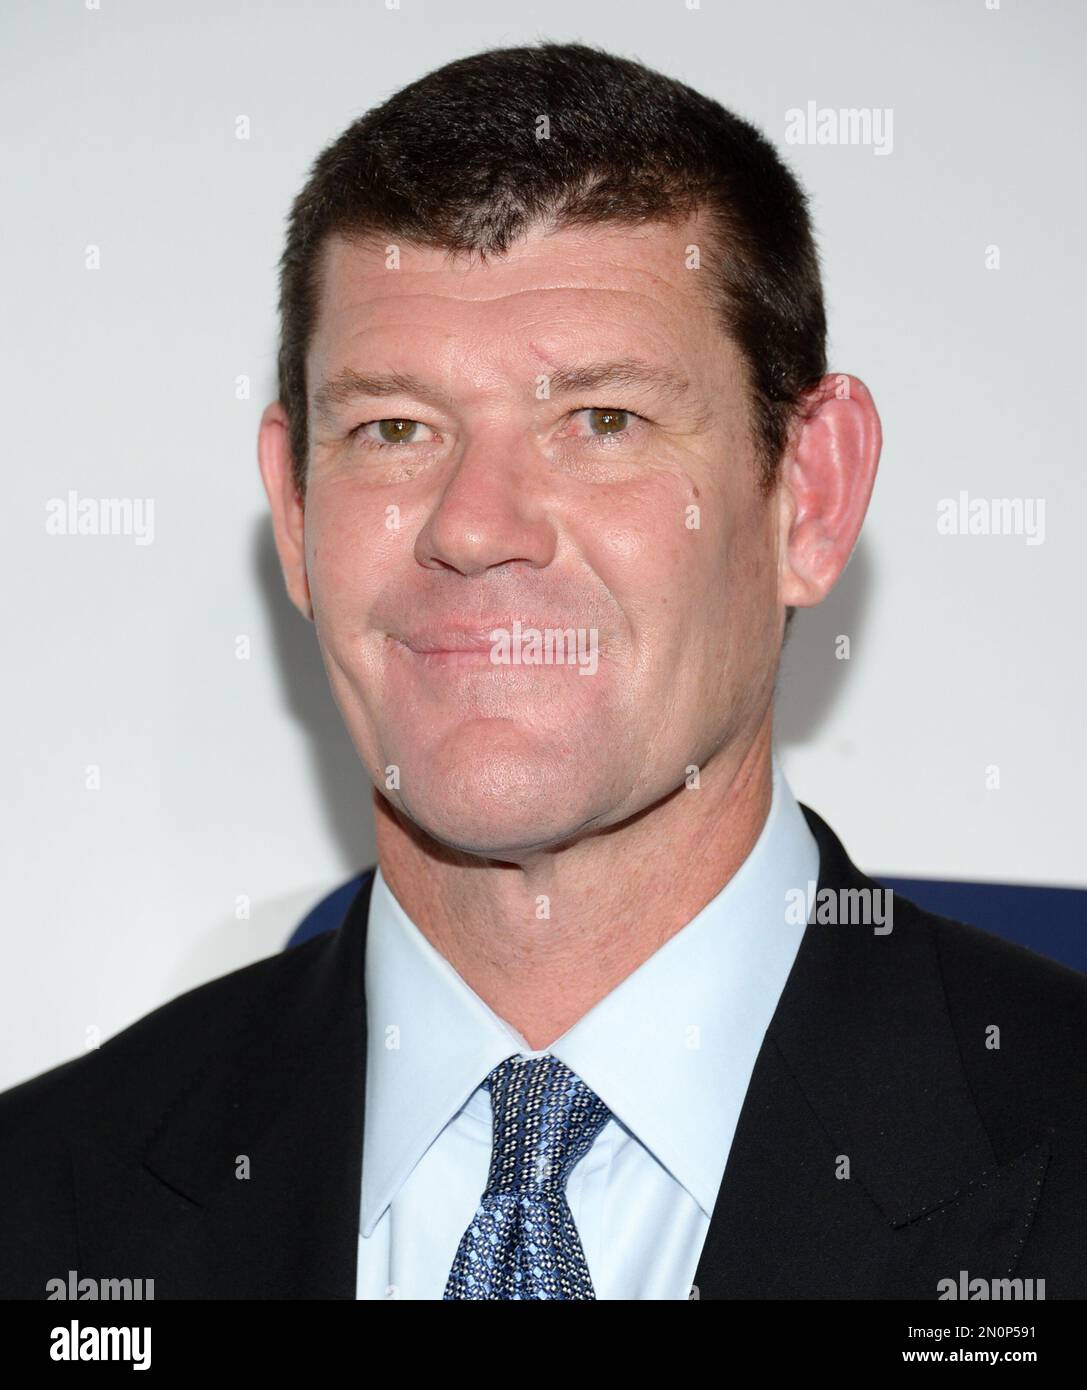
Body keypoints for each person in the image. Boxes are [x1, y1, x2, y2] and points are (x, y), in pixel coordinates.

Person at [2, 40, 1084, 1302]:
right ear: (294, 516)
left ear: (810, 493)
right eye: (394, 428)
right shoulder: (43, 1211)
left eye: (601, 420)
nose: (472, 523)